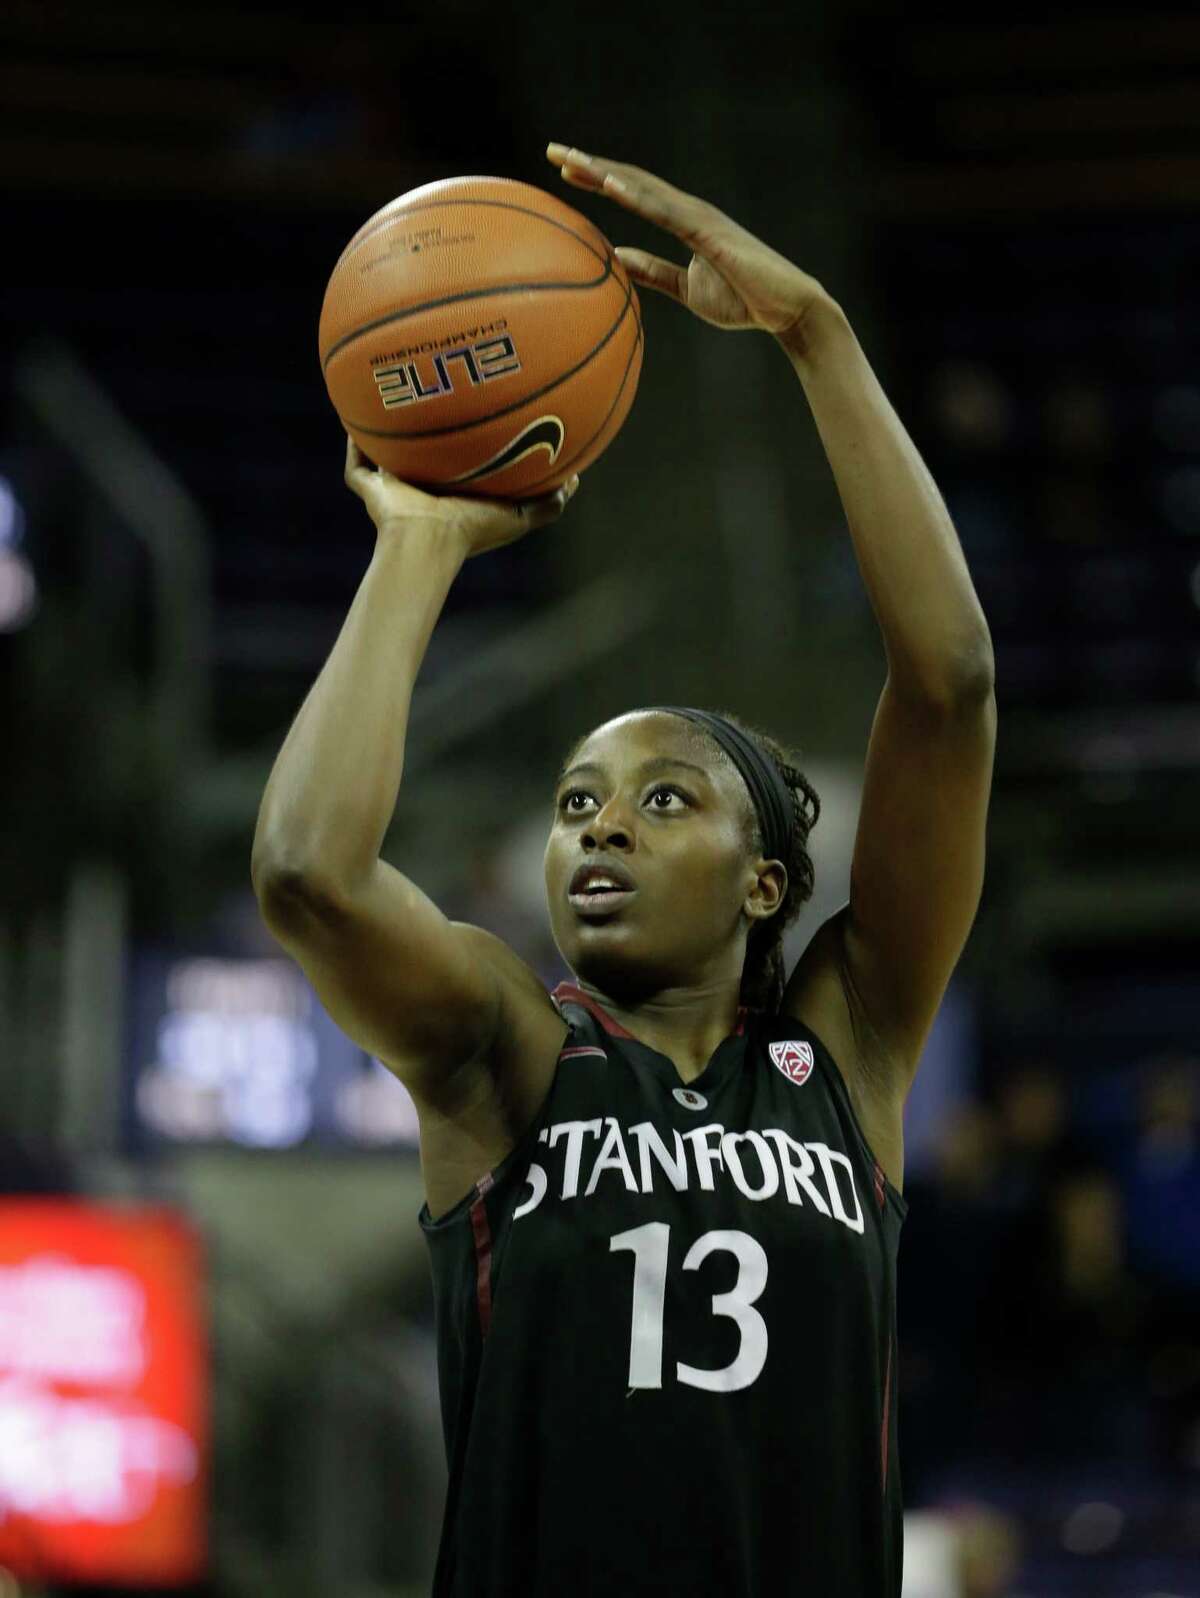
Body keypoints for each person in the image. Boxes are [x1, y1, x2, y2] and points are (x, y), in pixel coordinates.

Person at [251, 143, 997, 1598]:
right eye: (578, 799)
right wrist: (417, 540)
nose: (601, 826)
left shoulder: (855, 1044)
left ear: (769, 880)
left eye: (665, 799)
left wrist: (817, 339)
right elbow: (306, 874)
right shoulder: (505, 1049)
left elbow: (952, 683)